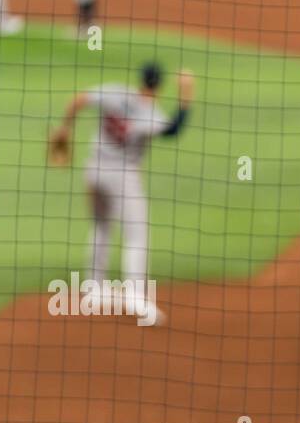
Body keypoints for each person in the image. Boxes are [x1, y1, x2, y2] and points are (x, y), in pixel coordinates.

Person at [47, 64, 195, 326]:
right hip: (123, 177)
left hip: (94, 170)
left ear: (140, 81)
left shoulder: (115, 92)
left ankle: (94, 288)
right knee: (137, 234)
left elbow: (78, 100)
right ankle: (136, 297)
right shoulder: (151, 113)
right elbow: (173, 130)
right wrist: (185, 95)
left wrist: (65, 128)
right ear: (159, 87)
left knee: (101, 226)